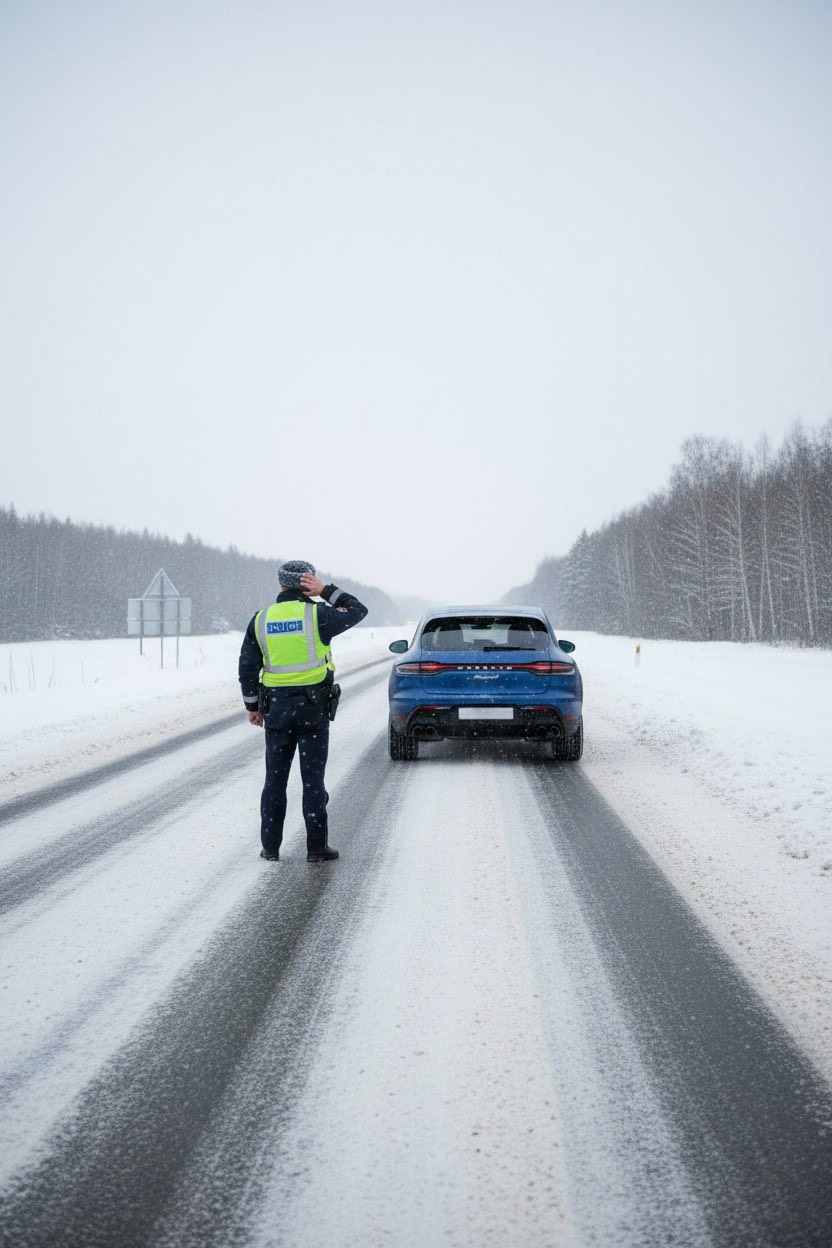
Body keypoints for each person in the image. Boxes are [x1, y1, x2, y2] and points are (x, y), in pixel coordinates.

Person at [238, 560, 368, 863]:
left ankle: (270, 848)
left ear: (282, 585)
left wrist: (253, 707)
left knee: (274, 781)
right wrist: (326, 591)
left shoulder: (261, 620)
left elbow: (247, 667)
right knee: (312, 782)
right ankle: (316, 848)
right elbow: (359, 610)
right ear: (307, 582)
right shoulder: (318, 615)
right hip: (313, 709)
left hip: (277, 711)